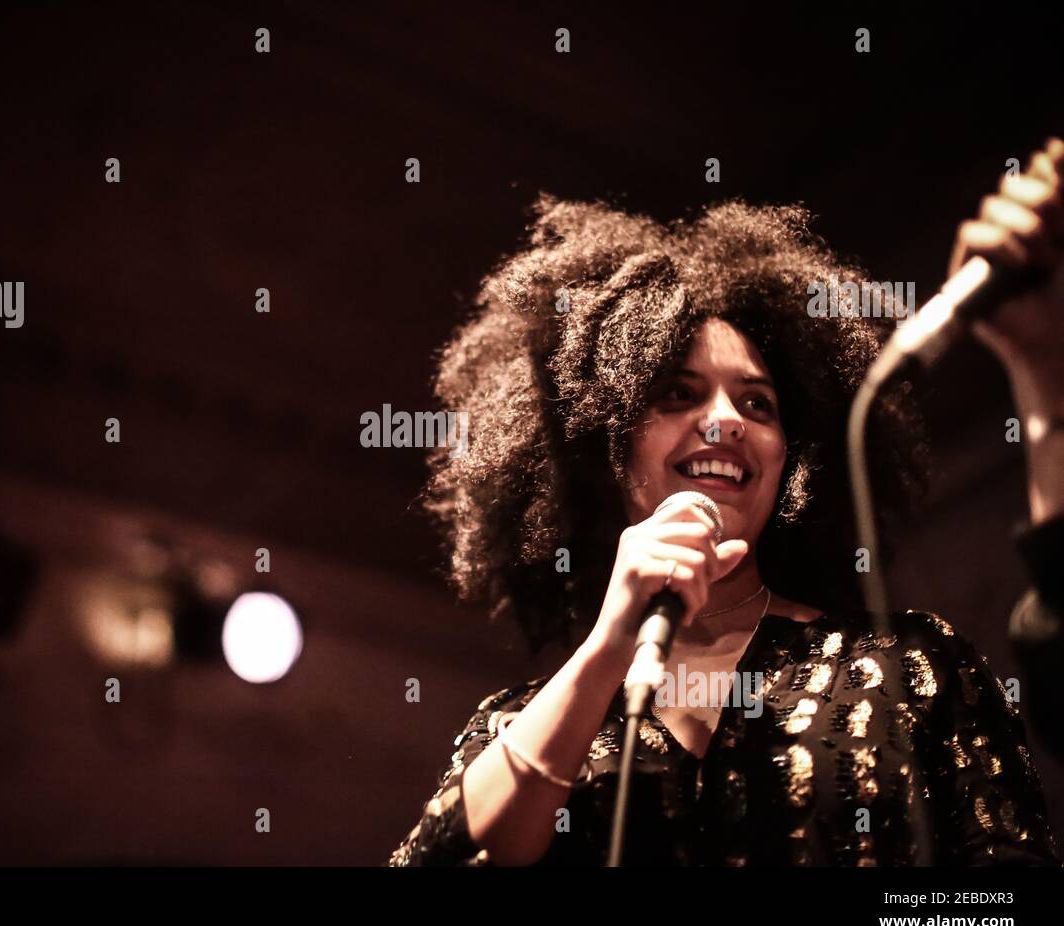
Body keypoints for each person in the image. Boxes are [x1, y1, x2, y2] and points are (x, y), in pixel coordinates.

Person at [388, 138, 1064, 867]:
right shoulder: (516, 722)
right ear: (604, 447)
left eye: (758, 403)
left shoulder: (910, 664)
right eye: (678, 394)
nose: (727, 419)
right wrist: (608, 650)